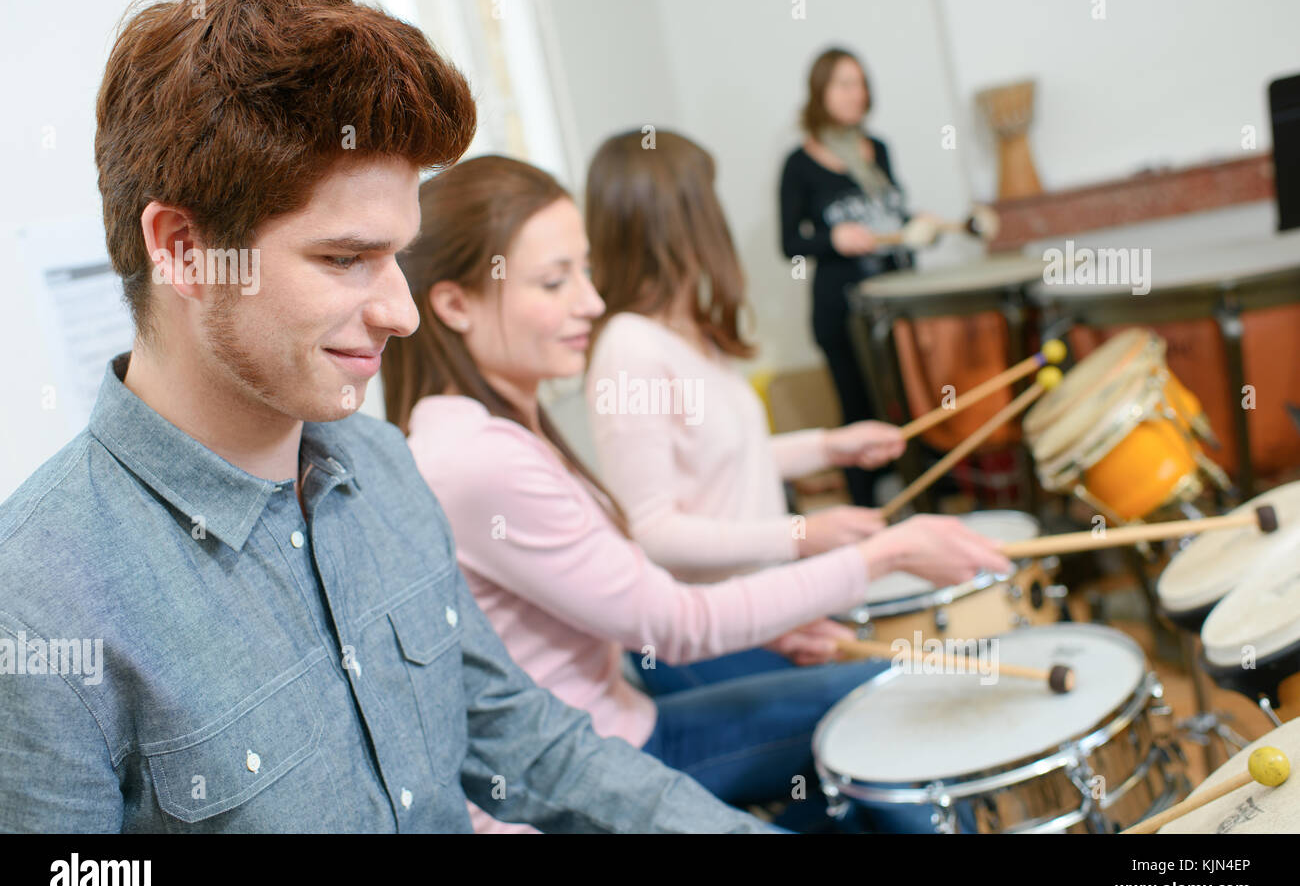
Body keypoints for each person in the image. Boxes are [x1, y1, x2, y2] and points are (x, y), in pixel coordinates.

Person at [0, 0, 773, 833]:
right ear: (184, 248)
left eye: (399, 257)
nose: (401, 312)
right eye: (343, 259)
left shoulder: (386, 470)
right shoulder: (35, 599)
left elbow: (521, 743)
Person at [381, 154, 1012, 832]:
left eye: (585, 272)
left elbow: (635, 583)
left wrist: (795, 583)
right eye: (554, 281)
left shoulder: (495, 428)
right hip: (596, 764)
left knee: (888, 721)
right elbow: (670, 619)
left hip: (625, 724)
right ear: (453, 304)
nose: (590, 302)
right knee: (897, 712)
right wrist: (881, 554)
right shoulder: (477, 455)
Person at [584, 128, 904, 692]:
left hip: (758, 613)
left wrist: (830, 446)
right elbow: (652, 529)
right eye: (709, 198)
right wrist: (800, 535)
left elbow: (725, 461)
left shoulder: (689, 331)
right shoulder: (629, 347)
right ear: (681, 217)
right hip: (707, 638)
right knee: (889, 688)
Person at [779, 47, 919, 508]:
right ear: (820, 92)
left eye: (859, 82)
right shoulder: (799, 164)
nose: (854, 93)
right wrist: (832, 238)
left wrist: (918, 229)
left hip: (895, 304)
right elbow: (790, 244)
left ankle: (921, 498)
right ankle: (867, 513)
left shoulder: (877, 149)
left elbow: (891, 217)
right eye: (843, 83)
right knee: (857, 412)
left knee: (906, 404)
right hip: (841, 311)